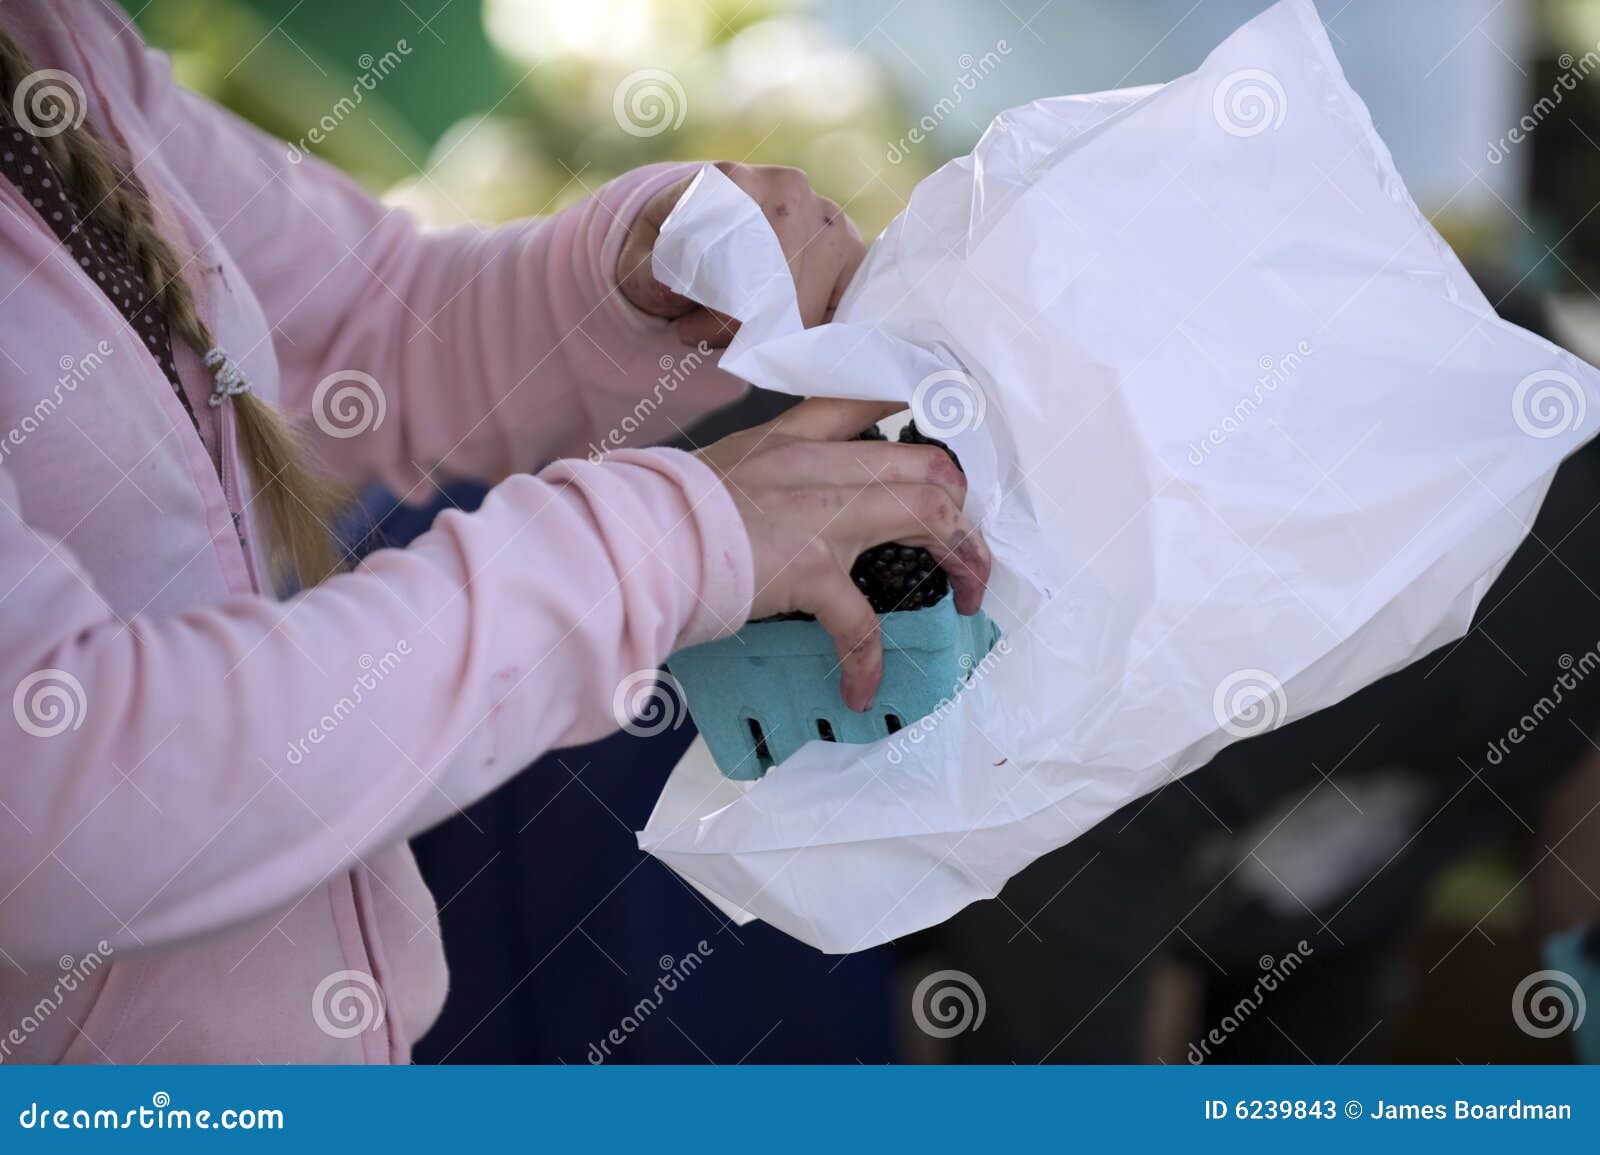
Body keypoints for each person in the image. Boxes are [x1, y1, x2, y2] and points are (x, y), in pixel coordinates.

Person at [0, 0, 989, 1063]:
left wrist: (633, 278)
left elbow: (365, 328)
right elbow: (60, 803)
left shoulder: (62, 44)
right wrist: (671, 539)